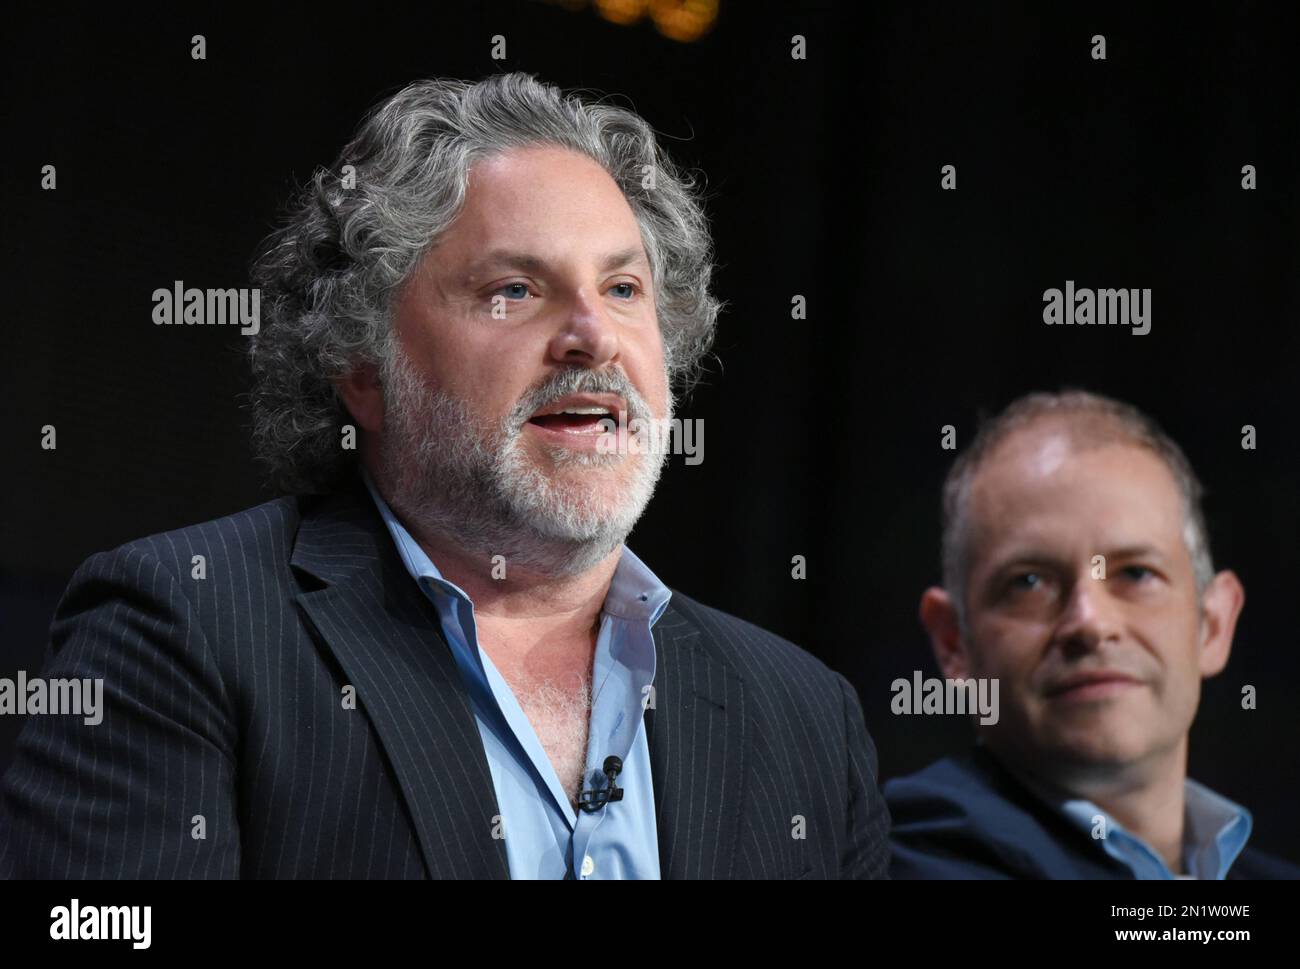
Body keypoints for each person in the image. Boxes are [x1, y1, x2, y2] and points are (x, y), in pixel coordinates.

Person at [0, 73, 889, 880]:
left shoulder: (805, 717)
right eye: (514, 289)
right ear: (362, 362)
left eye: (624, 289)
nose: (593, 335)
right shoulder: (182, 628)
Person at [886, 390, 1299, 879]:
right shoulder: (891, 864)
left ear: (1213, 625)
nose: (1090, 622)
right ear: (954, 642)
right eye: (1030, 582)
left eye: (1136, 574)